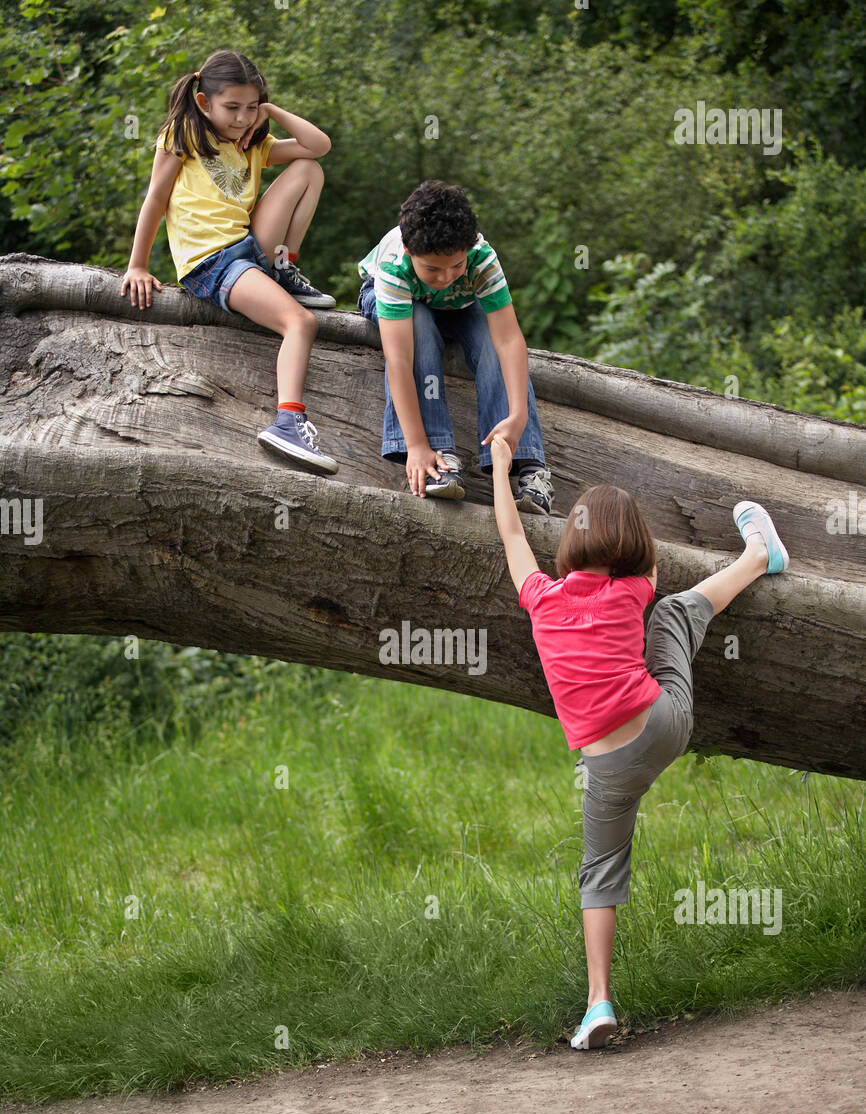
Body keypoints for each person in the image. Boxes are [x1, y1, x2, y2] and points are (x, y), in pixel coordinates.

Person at [489, 434, 790, 1050]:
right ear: (630, 548)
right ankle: (761, 554)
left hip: (604, 764)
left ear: (568, 547)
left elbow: (514, 537)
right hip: (663, 725)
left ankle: (598, 1003)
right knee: (676, 614)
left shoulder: (542, 601)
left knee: (598, 871)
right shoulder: (633, 591)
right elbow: (647, 568)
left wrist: (499, 468)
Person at [120, 48, 337, 473]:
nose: (241, 117)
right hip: (212, 263)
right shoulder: (185, 133)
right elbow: (155, 200)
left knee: (309, 169)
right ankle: (288, 422)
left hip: (250, 247)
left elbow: (319, 145)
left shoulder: (255, 143)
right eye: (231, 107)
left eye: (251, 107)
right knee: (301, 323)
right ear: (205, 102)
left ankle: (283, 268)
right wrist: (137, 266)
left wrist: (270, 110)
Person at [357, 180, 553, 513]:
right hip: (401, 302)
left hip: (460, 305)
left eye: (456, 267)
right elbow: (400, 361)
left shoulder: (480, 256)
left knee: (492, 342)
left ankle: (527, 464)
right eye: (432, 268)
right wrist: (416, 445)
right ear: (409, 250)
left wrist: (518, 415)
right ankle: (437, 452)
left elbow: (509, 339)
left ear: (469, 250)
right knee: (420, 326)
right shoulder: (394, 266)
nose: (445, 276)